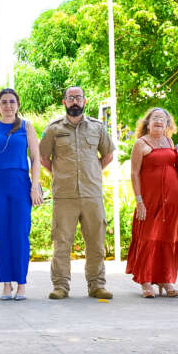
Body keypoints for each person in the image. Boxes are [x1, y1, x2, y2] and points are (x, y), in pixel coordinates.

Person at [39, 86, 115, 300]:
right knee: (62, 242)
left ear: (84, 101)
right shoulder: (53, 129)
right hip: (64, 195)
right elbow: (44, 158)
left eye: (78, 98)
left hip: (92, 194)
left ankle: (97, 285)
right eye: (70, 98)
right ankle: (60, 286)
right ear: (64, 102)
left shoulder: (98, 127)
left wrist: (92, 171)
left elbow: (107, 154)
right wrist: (60, 174)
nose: (75, 101)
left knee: (96, 242)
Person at [0, 88, 44, 300]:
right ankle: (6, 283)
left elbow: (35, 159)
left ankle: (22, 284)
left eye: (12, 102)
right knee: (1, 234)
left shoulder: (27, 127)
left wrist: (35, 186)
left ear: (17, 105)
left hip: (20, 183)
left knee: (20, 233)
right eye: (4, 102)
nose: (8, 105)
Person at [126, 108, 178, 298]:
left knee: (168, 237)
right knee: (148, 237)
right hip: (150, 199)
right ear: (147, 123)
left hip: (171, 200)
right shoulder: (140, 144)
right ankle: (146, 281)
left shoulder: (169, 141)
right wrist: (139, 201)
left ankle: (166, 279)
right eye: (155, 118)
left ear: (168, 125)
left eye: (163, 119)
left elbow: (171, 166)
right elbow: (134, 173)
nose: (159, 121)